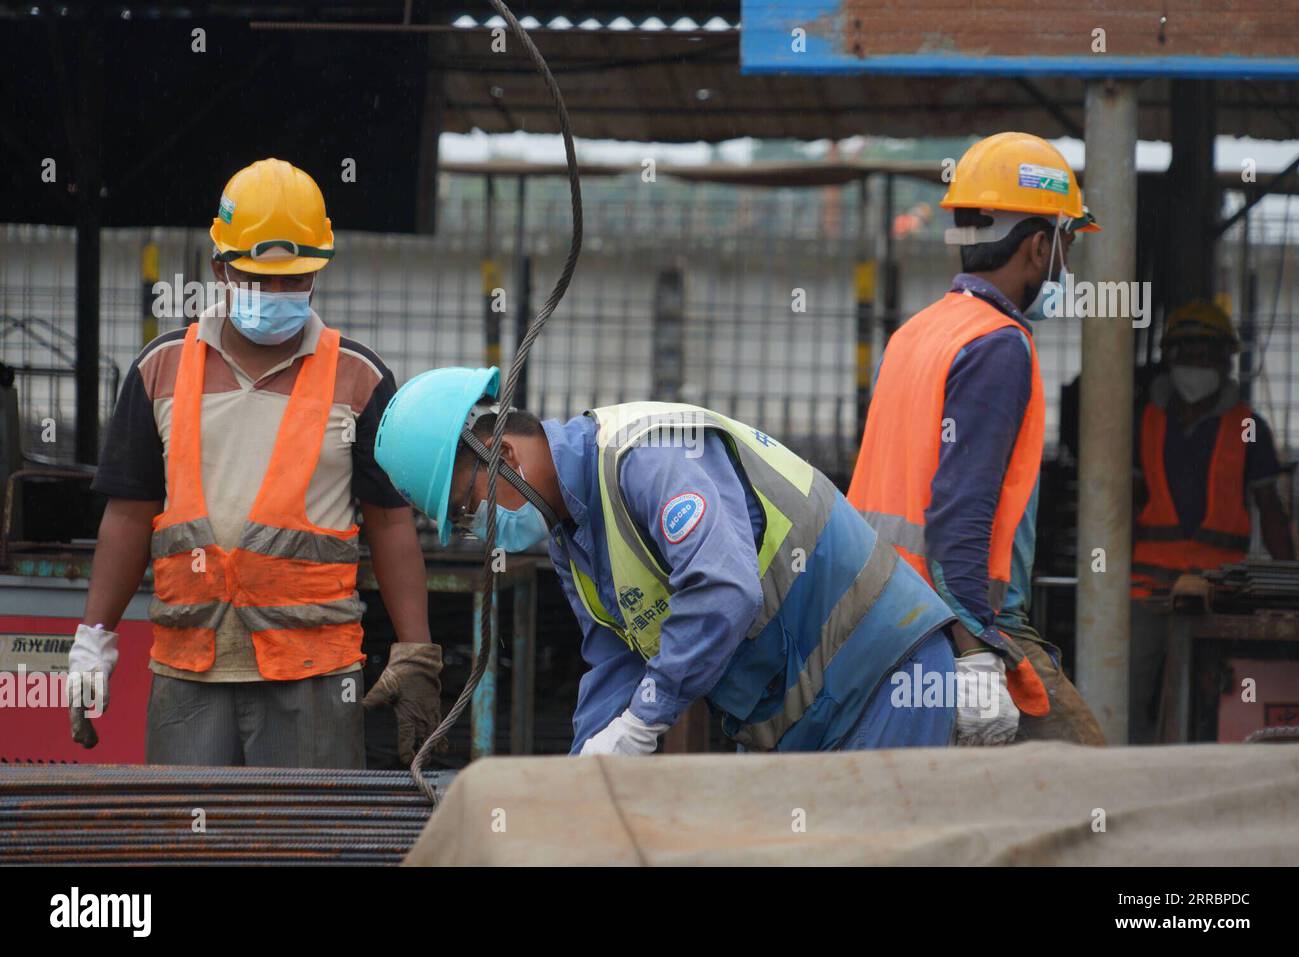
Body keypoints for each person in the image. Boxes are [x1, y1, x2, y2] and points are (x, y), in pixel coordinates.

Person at [373, 367, 1001, 755]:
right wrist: (583, 776)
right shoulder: (574, 539)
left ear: (503, 454)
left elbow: (724, 590)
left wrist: (646, 721)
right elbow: (615, 661)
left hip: (882, 676)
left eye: (464, 505)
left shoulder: (646, 456)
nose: (472, 528)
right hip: (800, 719)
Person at [66, 158, 442, 768]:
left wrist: (416, 652)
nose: (276, 295)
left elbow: (391, 523)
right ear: (220, 268)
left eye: (295, 281)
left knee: (308, 846)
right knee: (191, 848)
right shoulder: (160, 369)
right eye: (258, 280)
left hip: (317, 675)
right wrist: (93, 640)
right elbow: (129, 516)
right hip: (189, 671)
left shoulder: (359, 378)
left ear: (317, 273)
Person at [849, 132, 1107, 746]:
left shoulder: (917, 332)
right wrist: (976, 658)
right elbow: (961, 508)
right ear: (1039, 246)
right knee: (1093, 778)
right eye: (1066, 245)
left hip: (885, 615)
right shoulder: (996, 345)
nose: (1066, 266)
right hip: (960, 626)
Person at [1129, 298, 1294, 741]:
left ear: (1226, 360)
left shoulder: (1248, 428)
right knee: (1130, 694)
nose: (1197, 362)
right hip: (1145, 592)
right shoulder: (1142, 422)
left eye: (1208, 352)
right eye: (1187, 351)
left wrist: (1287, 589)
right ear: (1170, 357)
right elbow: (1120, 505)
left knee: (1212, 698)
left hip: (1218, 593)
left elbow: (1272, 514)